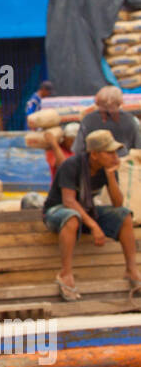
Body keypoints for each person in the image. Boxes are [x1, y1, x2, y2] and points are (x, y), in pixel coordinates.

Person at [43, 128, 141, 301]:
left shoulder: (106, 168)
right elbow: (69, 201)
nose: (114, 157)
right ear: (94, 154)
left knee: (124, 215)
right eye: (109, 153)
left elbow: (117, 204)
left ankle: (132, 270)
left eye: (115, 152)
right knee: (72, 217)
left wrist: (111, 176)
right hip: (57, 211)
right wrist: (94, 226)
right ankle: (65, 274)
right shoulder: (72, 165)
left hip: (86, 211)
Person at [73, 86, 141, 157]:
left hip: (95, 163)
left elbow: (79, 149)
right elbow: (138, 147)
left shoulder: (88, 120)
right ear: (120, 102)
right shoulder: (130, 119)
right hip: (123, 161)